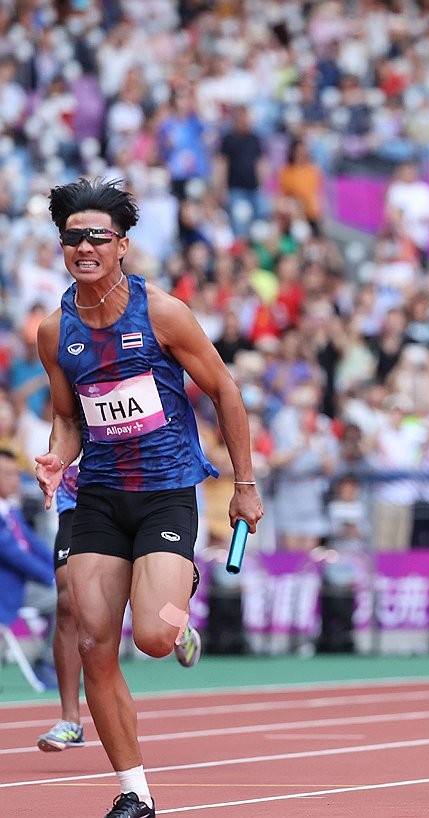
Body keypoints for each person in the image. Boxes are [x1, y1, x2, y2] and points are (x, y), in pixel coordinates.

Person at [34, 178, 264, 818]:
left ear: (122, 246)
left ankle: (177, 612)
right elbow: (68, 417)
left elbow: (224, 391)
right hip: (99, 496)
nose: (84, 247)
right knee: (92, 642)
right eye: (72, 237)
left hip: (165, 494)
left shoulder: (162, 312)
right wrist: (57, 456)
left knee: (155, 640)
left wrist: (243, 485)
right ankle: (135, 792)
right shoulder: (55, 332)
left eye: (96, 237)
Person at [35, 463, 85, 752]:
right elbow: (62, 431)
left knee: (152, 615)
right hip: (77, 499)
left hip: (136, 490)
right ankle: (70, 720)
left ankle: (177, 619)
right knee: (66, 600)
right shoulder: (67, 415)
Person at [0, 448, 56, 689]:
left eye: (15, 473)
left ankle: (48, 660)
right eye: (7, 474)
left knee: (68, 594)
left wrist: (61, 568)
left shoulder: (10, 509)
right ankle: (48, 663)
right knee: (65, 599)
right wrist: (51, 578)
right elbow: (15, 555)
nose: (15, 479)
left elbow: (34, 546)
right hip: (8, 590)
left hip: (21, 584)